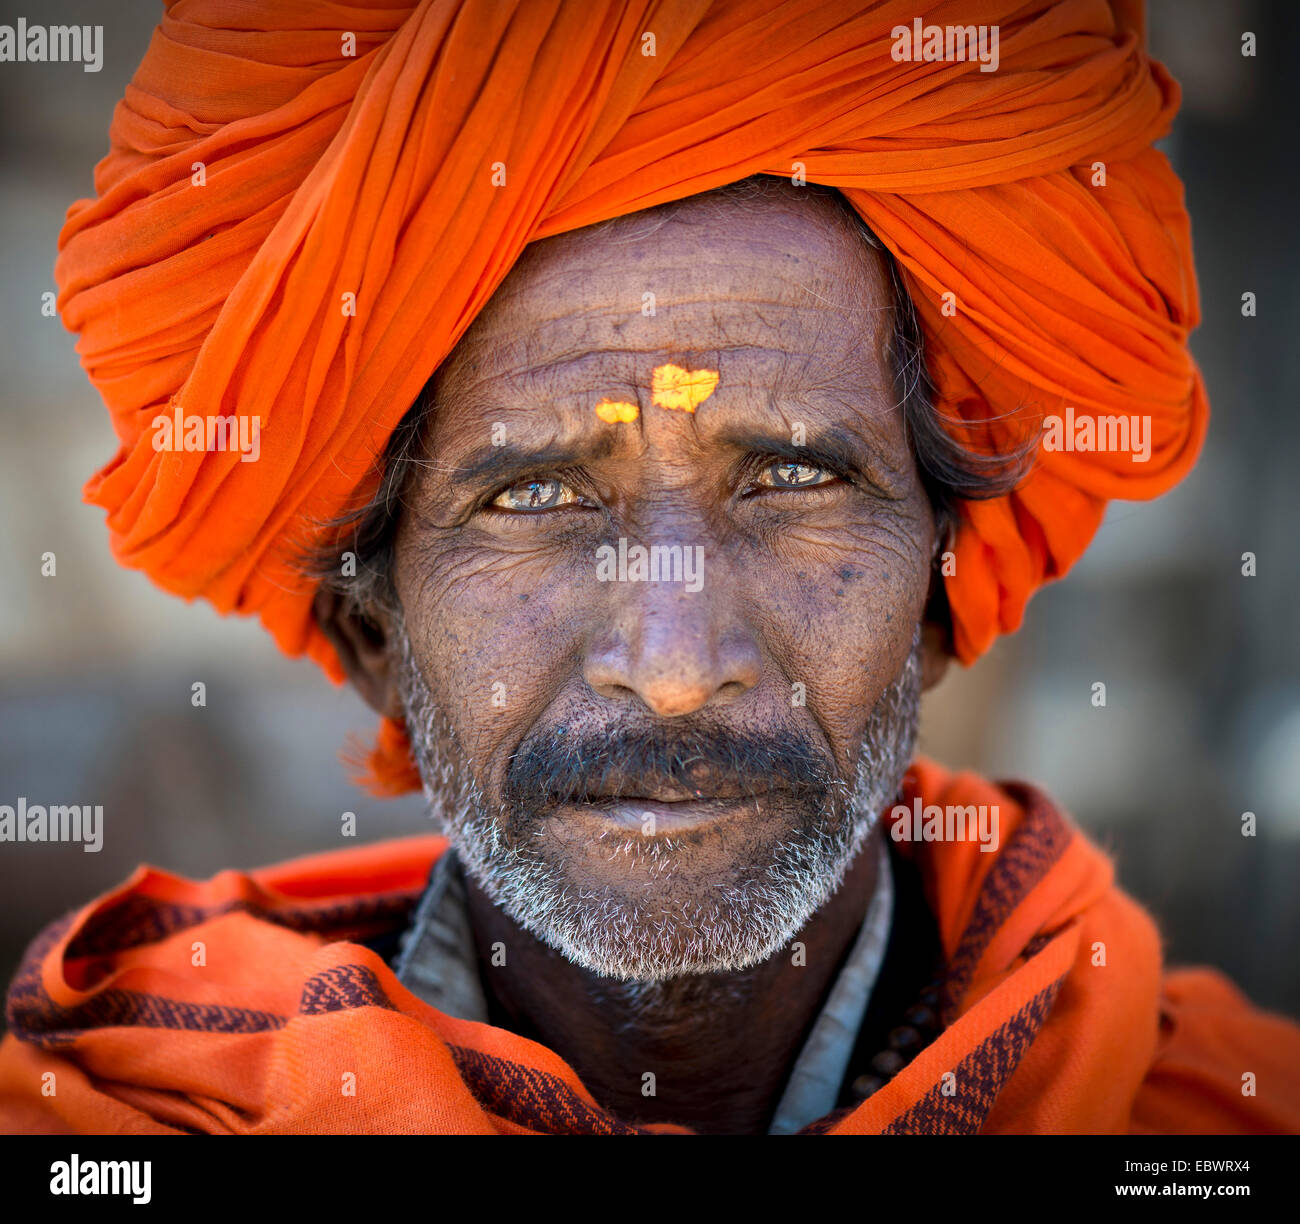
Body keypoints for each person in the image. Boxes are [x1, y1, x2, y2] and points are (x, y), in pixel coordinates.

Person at [2, 0, 1296, 1135]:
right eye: (537, 495)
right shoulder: (116, 1120)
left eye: (794, 480)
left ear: (943, 596)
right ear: (373, 632)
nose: (676, 670)